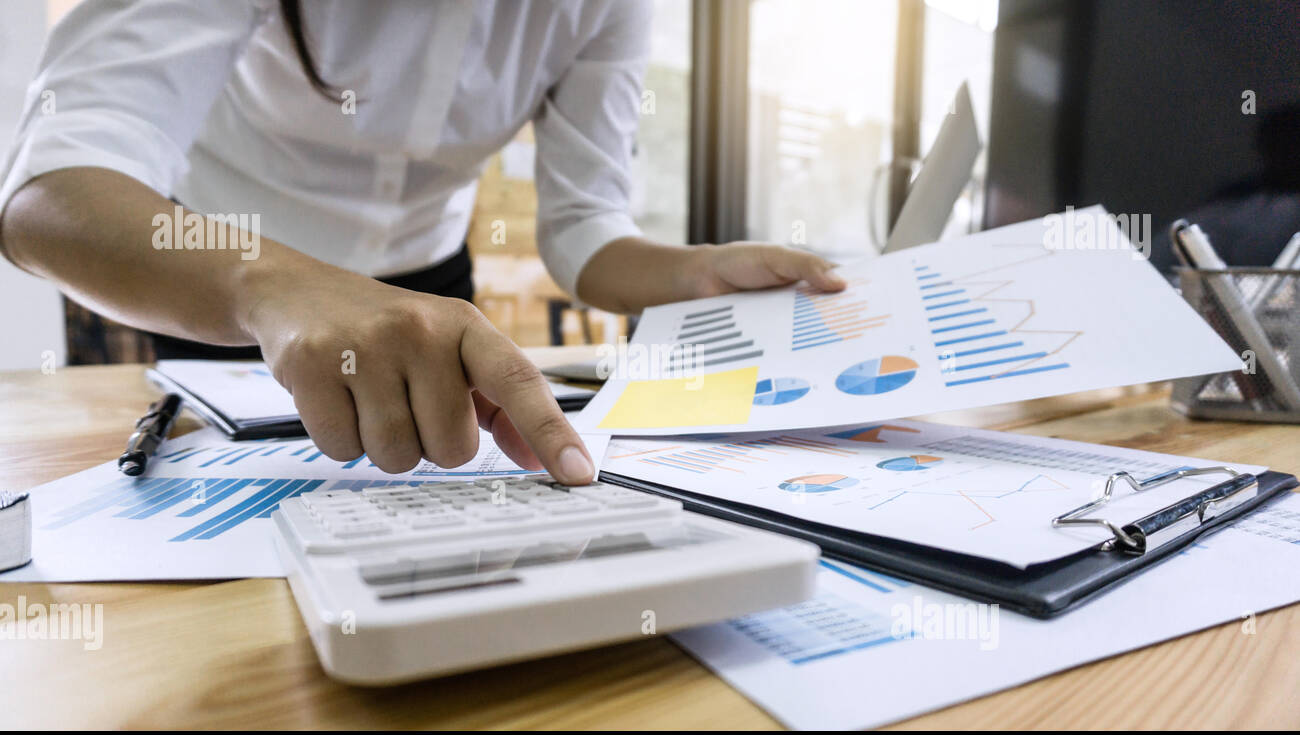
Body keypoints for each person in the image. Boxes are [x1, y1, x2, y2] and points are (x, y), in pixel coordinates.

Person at [0, 0, 843, 483]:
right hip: (214, 275)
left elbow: (585, 228)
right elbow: (49, 191)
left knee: (410, 509)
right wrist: (276, 287)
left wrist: (693, 272)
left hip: (429, 291)